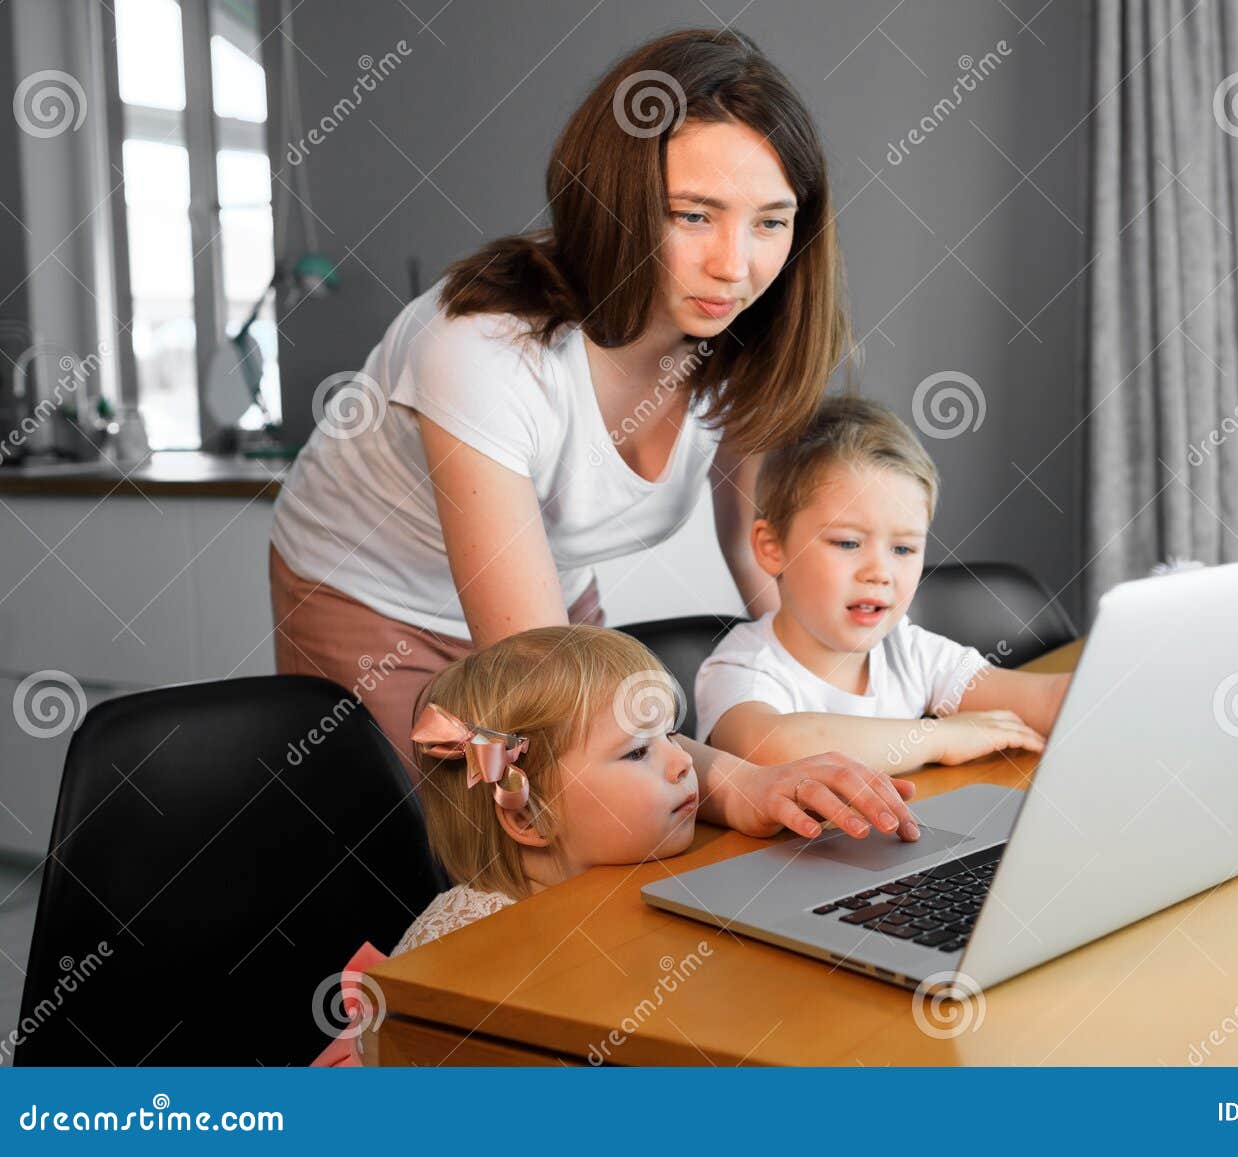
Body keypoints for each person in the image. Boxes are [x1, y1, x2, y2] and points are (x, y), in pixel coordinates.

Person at [267, 29, 892, 822]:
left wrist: (822, 688)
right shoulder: (483, 349)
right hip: (370, 595)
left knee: (600, 809)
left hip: (543, 585)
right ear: (616, 202)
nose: (736, 266)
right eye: (694, 215)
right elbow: (539, 678)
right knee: (456, 850)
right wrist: (739, 783)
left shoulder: (735, 329)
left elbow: (750, 541)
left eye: (770, 222)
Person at [391, 625, 922, 953]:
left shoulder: (629, 858)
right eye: (638, 751)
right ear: (529, 817)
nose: (682, 760)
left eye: (670, 734)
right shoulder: (457, 946)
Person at [695, 396, 1072, 772]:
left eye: (904, 548)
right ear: (772, 548)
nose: (879, 571)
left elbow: (1046, 702)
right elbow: (775, 746)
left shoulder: (909, 652)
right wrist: (939, 737)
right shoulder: (741, 668)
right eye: (847, 543)